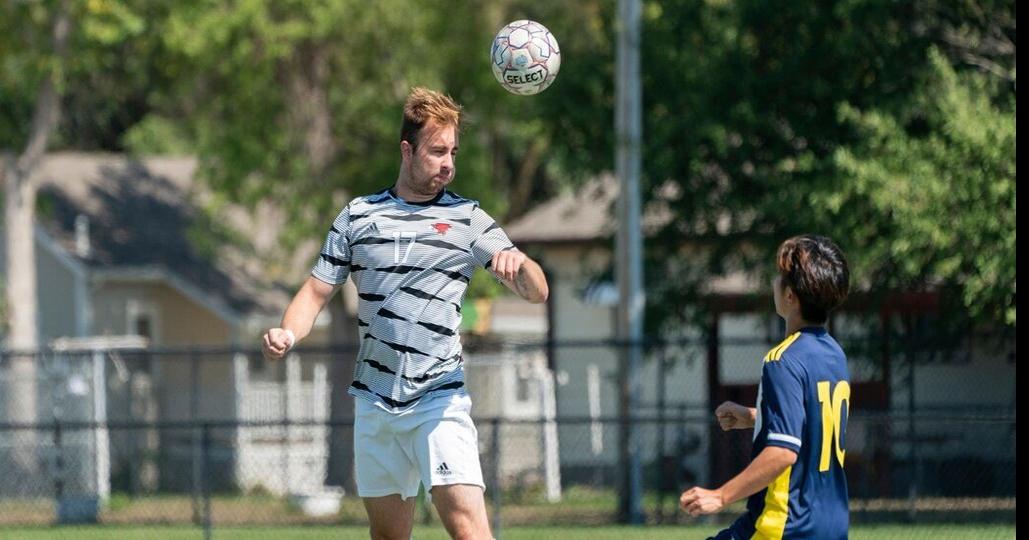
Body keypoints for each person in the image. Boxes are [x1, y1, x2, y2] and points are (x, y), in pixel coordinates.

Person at [261, 87, 548, 540]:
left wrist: (523, 266)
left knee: (470, 530)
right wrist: (287, 334)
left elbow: (536, 292)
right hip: (374, 402)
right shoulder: (359, 217)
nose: (448, 162)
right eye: (437, 151)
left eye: (453, 151)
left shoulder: (468, 219)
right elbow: (316, 292)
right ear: (407, 150)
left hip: (439, 397)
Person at [680, 235, 852, 540]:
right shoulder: (834, 354)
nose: (775, 282)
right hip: (831, 526)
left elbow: (783, 452)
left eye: (780, 277)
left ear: (790, 296)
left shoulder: (783, 360)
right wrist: (755, 416)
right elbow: (813, 422)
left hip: (785, 526)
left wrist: (719, 496)